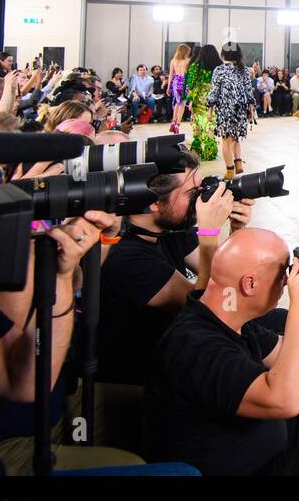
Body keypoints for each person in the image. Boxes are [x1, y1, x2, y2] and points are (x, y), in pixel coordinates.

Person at [143, 230, 299, 475]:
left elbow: (286, 351)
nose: (287, 281)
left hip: (254, 440)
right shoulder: (195, 346)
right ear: (249, 283)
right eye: (282, 273)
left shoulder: (224, 317)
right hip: (241, 466)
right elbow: (286, 400)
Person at [96, 152, 249, 385]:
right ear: (154, 203)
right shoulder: (125, 258)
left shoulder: (170, 226)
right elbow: (210, 308)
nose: (199, 200)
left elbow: (226, 279)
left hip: (179, 353)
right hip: (146, 379)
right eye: (191, 193)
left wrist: (237, 228)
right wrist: (208, 234)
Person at [208, 44, 253, 179]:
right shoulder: (244, 69)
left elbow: (214, 91)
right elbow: (248, 90)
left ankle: (229, 170)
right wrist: (251, 108)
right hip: (240, 108)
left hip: (225, 108)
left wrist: (210, 110)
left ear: (223, 54)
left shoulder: (219, 70)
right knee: (236, 137)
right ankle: (238, 161)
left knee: (226, 140)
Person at [187, 45, 221, 161]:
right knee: (211, 124)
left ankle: (197, 150)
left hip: (199, 97)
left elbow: (190, 84)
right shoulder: (220, 66)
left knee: (198, 124)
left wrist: (190, 99)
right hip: (214, 98)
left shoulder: (195, 66)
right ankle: (210, 152)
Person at [168, 43, 191, 134]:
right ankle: (177, 124)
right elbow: (189, 75)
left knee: (177, 103)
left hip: (175, 82)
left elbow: (171, 74)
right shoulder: (188, 61)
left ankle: (173, 122)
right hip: (184, 82)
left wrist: (169, 86)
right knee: (182, 104)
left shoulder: (173, 60)